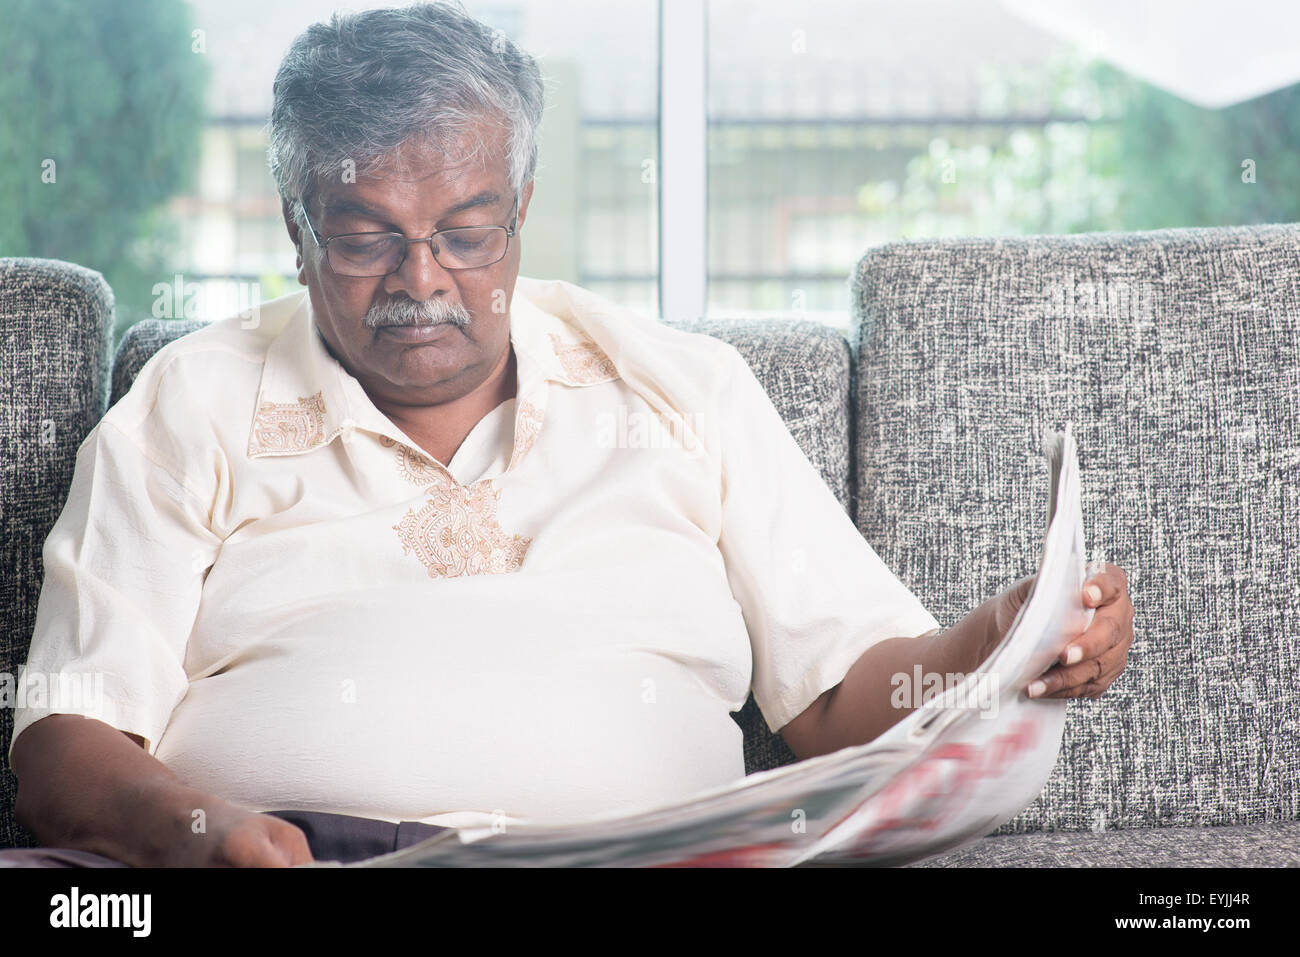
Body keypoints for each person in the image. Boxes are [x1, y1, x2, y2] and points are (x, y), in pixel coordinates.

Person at [4, 1, 1133, 868]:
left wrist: (1000, 640)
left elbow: (845, 698)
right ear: (297, 231)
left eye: (465, 231)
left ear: (523, 208)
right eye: (364, 239)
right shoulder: (188, 402)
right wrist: (203, 834)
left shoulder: (684, 389)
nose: (421, 282)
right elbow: (64, 743)